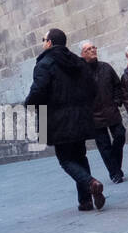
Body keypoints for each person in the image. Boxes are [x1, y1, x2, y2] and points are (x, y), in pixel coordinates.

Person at [25, 28, 106, 211]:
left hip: (56, 120)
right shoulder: (77, 61)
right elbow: (92, 88)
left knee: (65, 160)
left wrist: (28, 104)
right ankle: (85, 201)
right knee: (80, 156)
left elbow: (38, 91)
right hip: (80, 117)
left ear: (50, 43)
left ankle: (91, 182)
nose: (43, 42)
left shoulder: (44, 63)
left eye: (43, 39)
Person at [80, 41, 126, 183]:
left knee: (120, 135)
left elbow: (117, 85)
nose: (93, 50)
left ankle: (115, 166)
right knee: (104, 146)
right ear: (82, 54)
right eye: (88, 49)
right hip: (94, 116)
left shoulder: (106, 67)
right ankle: (115, 173)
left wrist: (117, 101)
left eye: (94, 47)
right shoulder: (80, 72)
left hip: (111, 110)